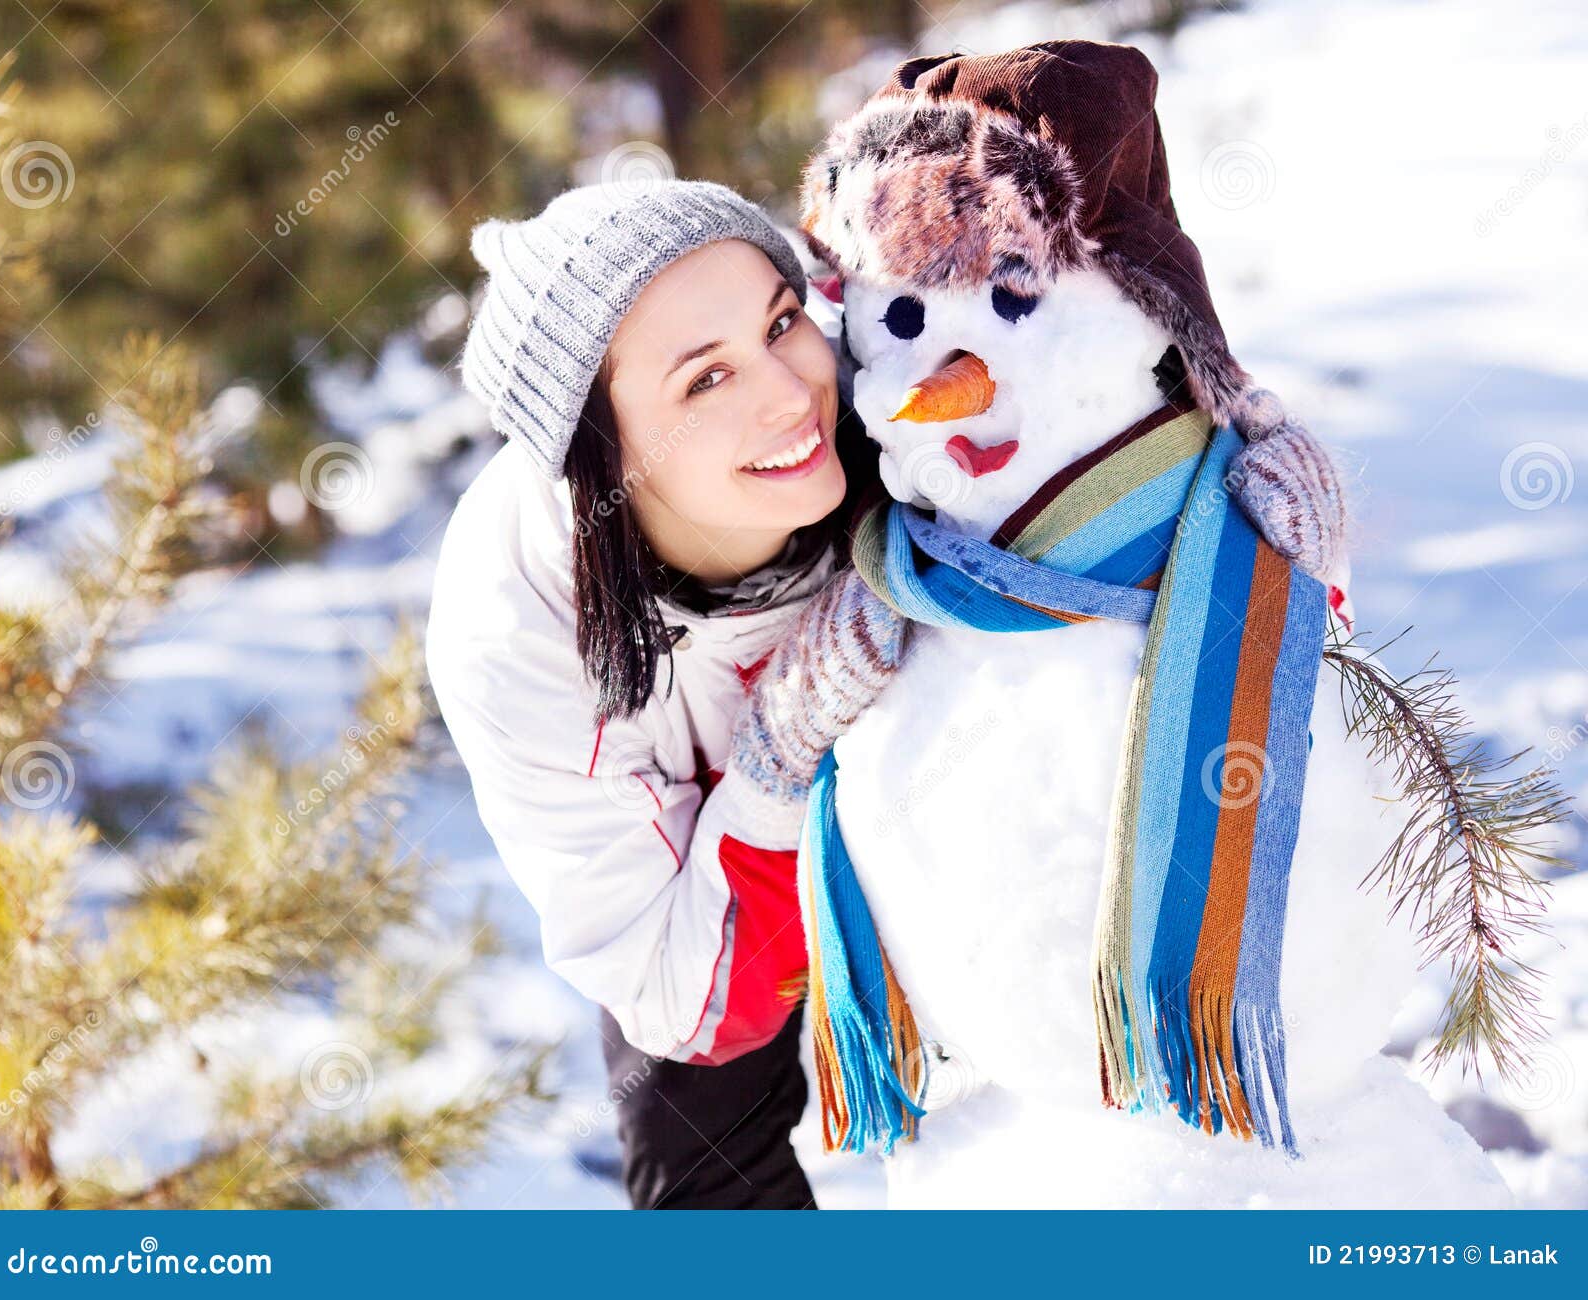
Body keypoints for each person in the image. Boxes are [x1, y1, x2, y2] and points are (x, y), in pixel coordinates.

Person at [425, 178, 1347, 1209]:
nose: (789, 395)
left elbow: (1111, 444)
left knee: (1039, 1091)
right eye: (704, 380)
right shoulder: (516, 630)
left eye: (782, 321)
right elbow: (684, 998)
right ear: (599, 456)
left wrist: (1269, 534)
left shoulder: (889, 409)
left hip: (929, 806)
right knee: (700, 1169)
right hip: (701, 887)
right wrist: (777, 758)